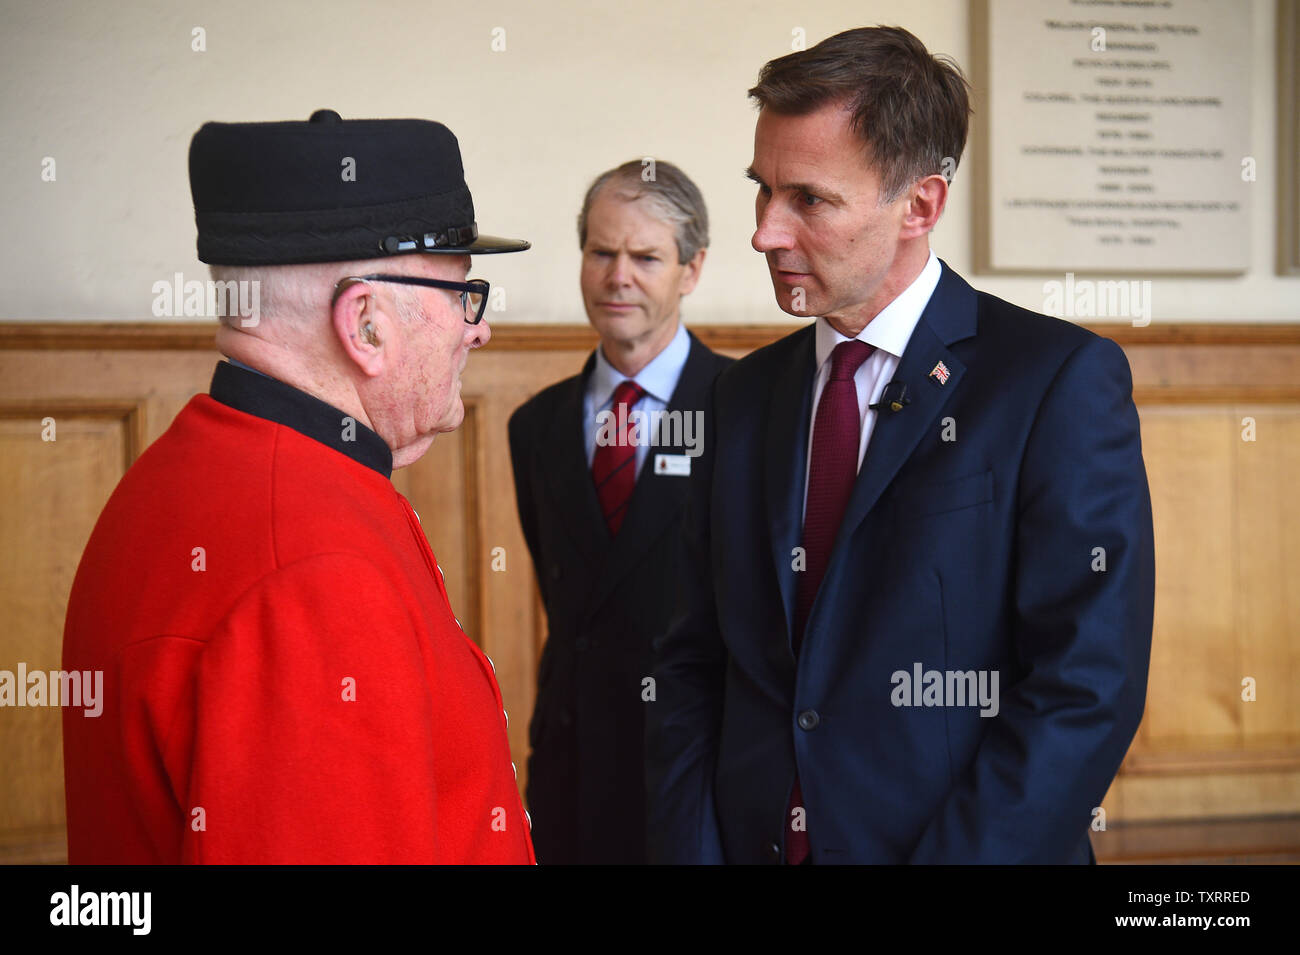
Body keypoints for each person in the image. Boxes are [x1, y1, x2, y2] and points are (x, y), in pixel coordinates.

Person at [645, 27, 1155, 864]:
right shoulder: (737, 397)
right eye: (762, 191)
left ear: (919, 205)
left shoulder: (1057, 382)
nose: (765, 233)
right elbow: (690, 667)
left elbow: (1084, 688)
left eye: (808, 199)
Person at [62, 109, 536, 864]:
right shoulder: (314, 576)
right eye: (460, 293)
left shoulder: (177, 475)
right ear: (367, 325)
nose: (475, 328)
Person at [509, 160, 731, 863]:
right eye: (601, 252)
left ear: (691, 270)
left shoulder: (748, 410)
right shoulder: (534, 425)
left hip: (697, 776)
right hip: (569, 778)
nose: (617, 276)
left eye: (645, 257)